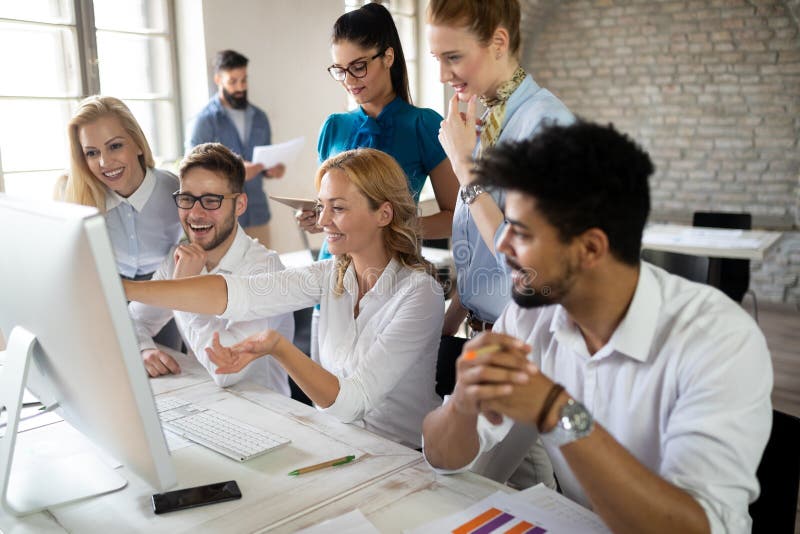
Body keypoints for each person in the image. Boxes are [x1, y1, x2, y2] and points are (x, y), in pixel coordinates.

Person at [422, 121, 773, 534]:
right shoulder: (532, 311)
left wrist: (558, 412)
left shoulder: (718, 339)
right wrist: (462, 405)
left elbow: (698, 528)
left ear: (590, 248)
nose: (499, 245)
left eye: (520, 231)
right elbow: (443, 457)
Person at [125, 148, 445, 449]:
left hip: (403, 457)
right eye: (322, 207)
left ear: (383, 214)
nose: (320, 221)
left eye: (338, 208)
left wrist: (278, 347)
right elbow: (239, 294)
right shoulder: (329, 274)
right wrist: (125, 289)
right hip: (336, 444)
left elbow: (353, 403)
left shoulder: (419, 293)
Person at [426, 0, 574, 336]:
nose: (442, 76)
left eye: (453, 57)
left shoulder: (550, 127)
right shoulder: (489, 122)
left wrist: (464, 168)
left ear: (498, 43)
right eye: (437, 58)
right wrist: (442, 337)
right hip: (478, 334)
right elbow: (480, 257)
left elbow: (526, 265)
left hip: (524, 347)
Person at [127, 143, 293, 395]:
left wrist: (183, 290)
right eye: (187, 199)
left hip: (264, 413)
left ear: (239, 205)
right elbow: (132, 320)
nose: (195, 213)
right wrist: (143, 349)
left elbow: (225, 370)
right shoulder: (178, 258)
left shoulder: (266, 272)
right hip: (202, 401)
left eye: (210, 200)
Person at [296, 2, 458, 244]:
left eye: (358, 67)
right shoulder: (333, 127)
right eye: (340, 70)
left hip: (394, 269)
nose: (349, 80)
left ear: (388, 57)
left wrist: (392, 228)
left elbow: (456, 218)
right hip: (333, 268)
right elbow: (331, 209)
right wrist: (317, 218)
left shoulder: (423, 125)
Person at [59, 95, 182, 280]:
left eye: (115, 146)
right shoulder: (76, 196)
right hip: (107, 292)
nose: (105, 162)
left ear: (138, 145)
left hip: (167, 289)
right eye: (92, 153)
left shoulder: (175, 189)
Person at [187, 49, 285, 248]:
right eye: (233, 81)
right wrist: (236, 171)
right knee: (228, 278)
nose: (240, 87)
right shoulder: (204, 121)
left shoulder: (260, 117)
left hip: (258, 214)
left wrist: (272, 170)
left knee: (265, 276)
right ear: (218, 79)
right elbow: (192, 170)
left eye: (244, 80)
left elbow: (263, 161)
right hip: (222, 219)